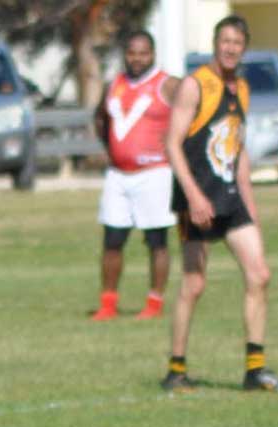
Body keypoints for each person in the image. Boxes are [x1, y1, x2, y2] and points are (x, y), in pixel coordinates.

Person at [162, 15, 278, 392]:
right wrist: (194, 197)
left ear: (244, 47)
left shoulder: (242, 88)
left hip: (230, 197)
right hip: (196, 197)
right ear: (216, 44)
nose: (230, 48)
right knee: (194, 284)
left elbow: (237, 149)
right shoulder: (196, 85)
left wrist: (251, 205)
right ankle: (176, 370)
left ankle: (254, 370)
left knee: (259, 274)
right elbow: (171, 144)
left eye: (237, 43)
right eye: (225, 41)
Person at [92, 30, 178, 323]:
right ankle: (108, 303)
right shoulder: (114, 84)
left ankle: (154, 302)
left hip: (154, 173)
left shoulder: (167, 84)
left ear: (152, 54)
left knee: (156, 241)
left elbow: (191, 115)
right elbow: (100, 118)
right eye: (132, 53)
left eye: (143, 53)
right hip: (118, 175)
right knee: (112, 239)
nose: (137, 59)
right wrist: (112, 149)